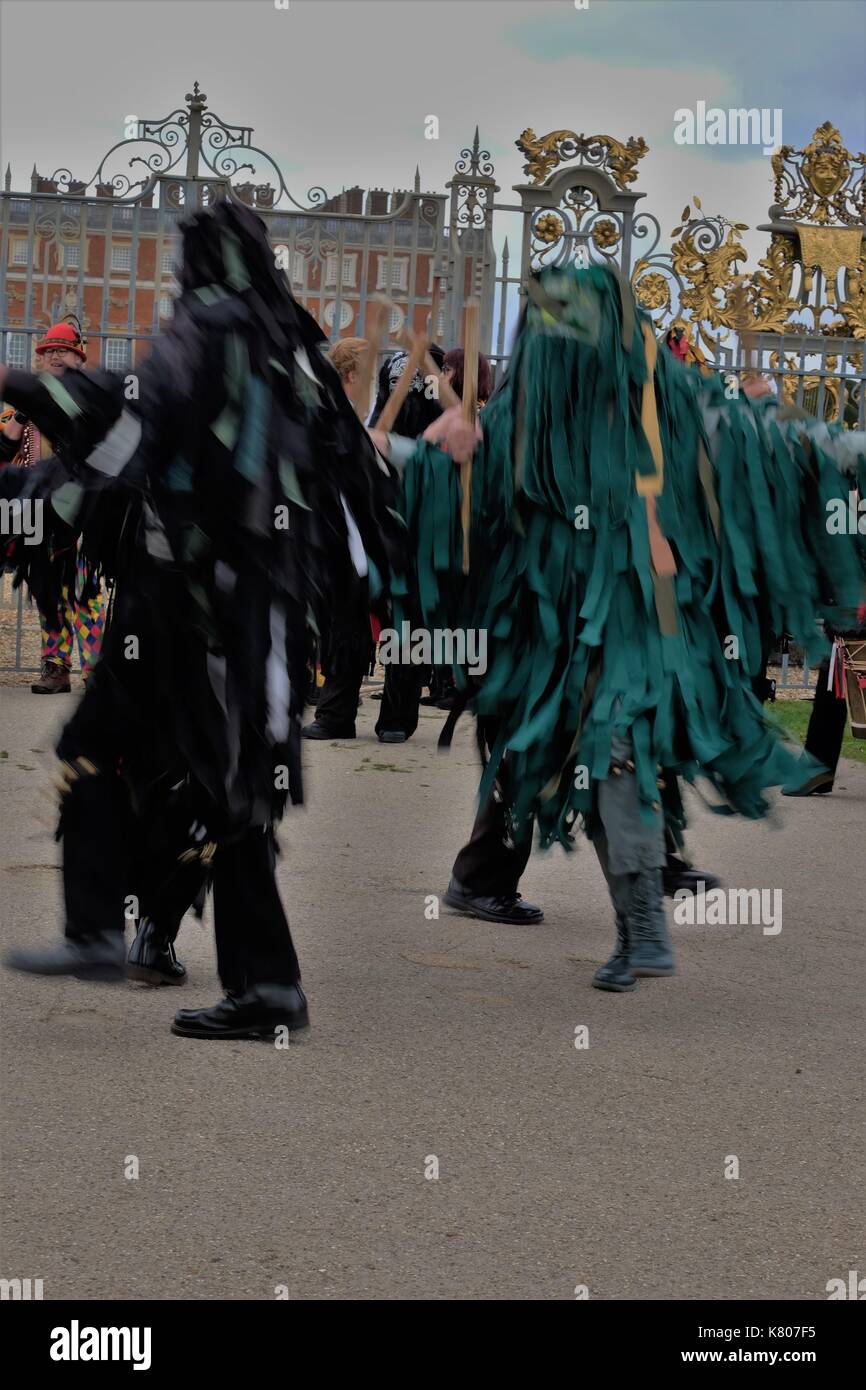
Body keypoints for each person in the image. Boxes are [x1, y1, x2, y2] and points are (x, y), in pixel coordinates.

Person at [0, 199, 407, 1039]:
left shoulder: (211, 327)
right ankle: (260, 988)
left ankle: (106, 931)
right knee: (229, 796)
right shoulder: (288, 352)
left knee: (117, 754)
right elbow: (352, 481)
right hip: (244, 611)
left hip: (192, 607)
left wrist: (24, 386)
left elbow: (135, 414)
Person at [400, 264, 866, 987]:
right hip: (559, 645)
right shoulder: (524, 421)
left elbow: (797, 451)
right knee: (599, 760)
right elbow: (439, 492)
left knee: (615, 752)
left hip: (636, 632)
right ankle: (626, 920)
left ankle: (641, 925)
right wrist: (440, 454)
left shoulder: (660, 406)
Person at [0, 321, 105, 693]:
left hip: (81, 513)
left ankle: (95, 675)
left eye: (65, 350)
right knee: (48, 593)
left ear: (80, 358)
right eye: (48, 351)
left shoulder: (93, 404)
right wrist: (23, 414)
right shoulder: (24, 408)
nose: (55, 354)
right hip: (36, 518)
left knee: (85, 593)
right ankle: (55, 668)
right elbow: (3, 450)